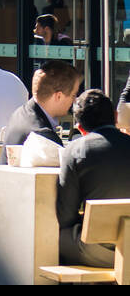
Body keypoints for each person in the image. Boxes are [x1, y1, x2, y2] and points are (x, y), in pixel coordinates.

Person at [55, 90, 130, 267]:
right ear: (115, 116)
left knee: (53, 235)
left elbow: (65, 216)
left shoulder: (75, 150)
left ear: (80, 127)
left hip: (100, 251)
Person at [0, 60, 82, 156]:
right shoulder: (43, 136)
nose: (75, 100)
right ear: (58, 96)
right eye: (73, 95)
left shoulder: (20, 113)